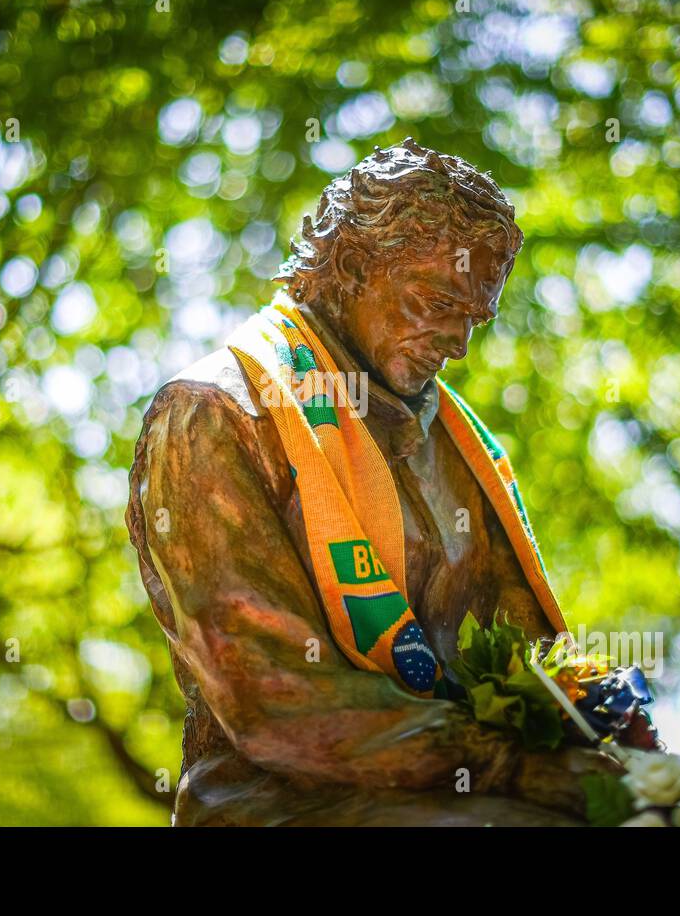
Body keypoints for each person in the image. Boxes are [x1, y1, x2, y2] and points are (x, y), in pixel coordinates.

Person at [125, 138, 620, 825]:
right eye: (435, 301)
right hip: (285, 803)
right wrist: (507, 765)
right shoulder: (215, 412)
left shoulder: (455, 441)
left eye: (475, 318)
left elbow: (520, 657)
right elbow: (271, 693)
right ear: (355, 266)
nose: (459, 344)